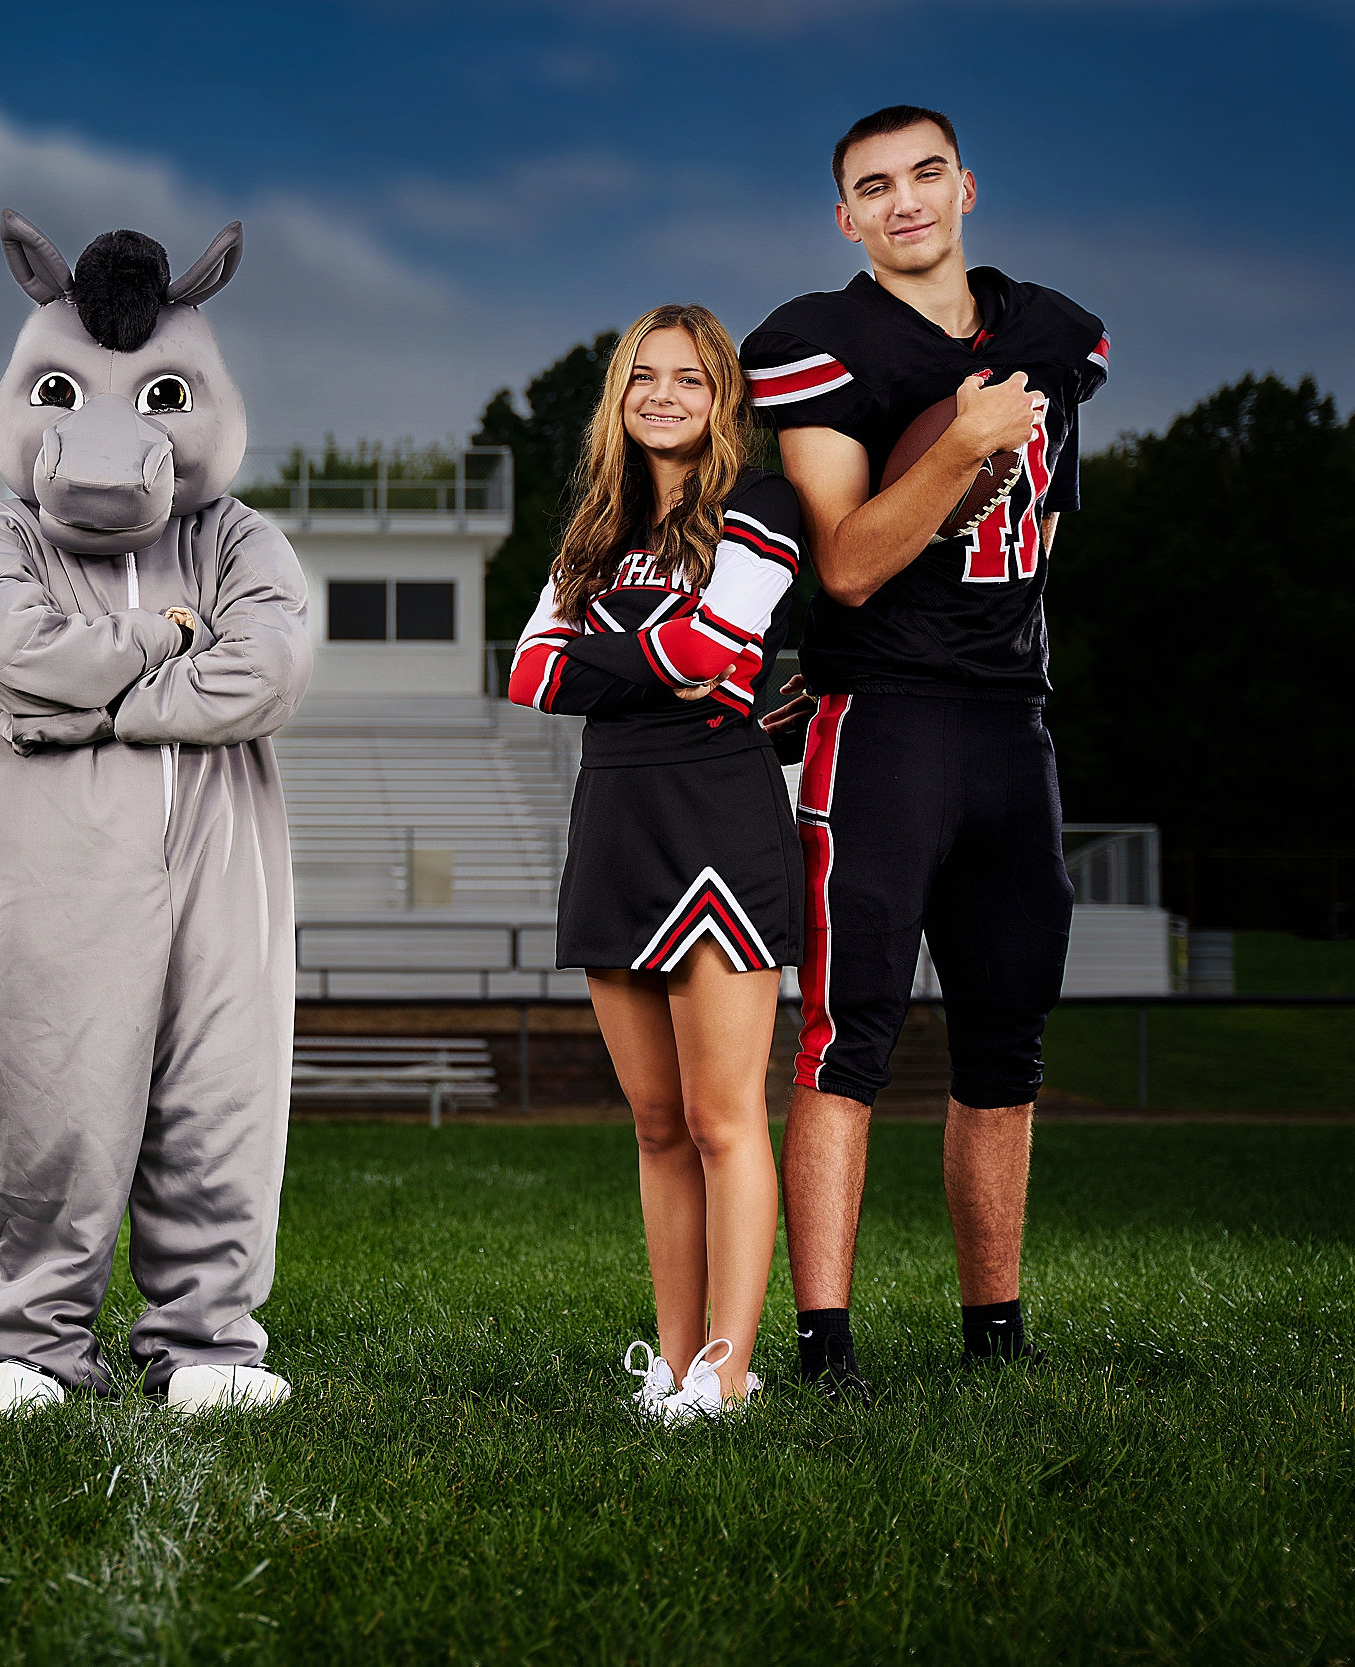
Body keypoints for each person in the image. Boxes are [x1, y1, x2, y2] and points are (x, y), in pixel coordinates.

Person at [740, 106, 1110, 1398]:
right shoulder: (819, 341)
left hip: (1013, 724)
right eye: (874, 186)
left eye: (926, 174)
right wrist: (959, 440)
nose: (905, 201)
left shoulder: (1054, 336)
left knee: (1008, 1040)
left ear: (967, 188)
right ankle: (825, 1344)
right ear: (847, 216)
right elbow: (841, 563)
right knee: (849, 1037)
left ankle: (995, 1327)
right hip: (879, 718)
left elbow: (1048, 529)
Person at [0, 213, 312, 1415]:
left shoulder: (240, 536)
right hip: (61, 871)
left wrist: (91, 708)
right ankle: (30, 1344)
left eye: (161, 394)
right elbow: (12, 655)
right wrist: (159, 642)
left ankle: (206, 1339)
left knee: (222, 1092)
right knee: (53, 1092)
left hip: (223, 866)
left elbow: (266, 674)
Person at [508, 304, 808, 1419]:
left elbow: (719, 647)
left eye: (689, 377)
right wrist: (658, 661)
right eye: (645, 376)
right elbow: (533, 675)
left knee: (725, 1114)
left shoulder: (761, 505)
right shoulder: (595, 523)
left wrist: (612, 651)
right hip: (616, 822)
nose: (665, 394)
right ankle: (676, 1362)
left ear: (722, 394)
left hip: (718, 823)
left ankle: (729, 1367)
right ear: (618, 397)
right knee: (653, 1119)